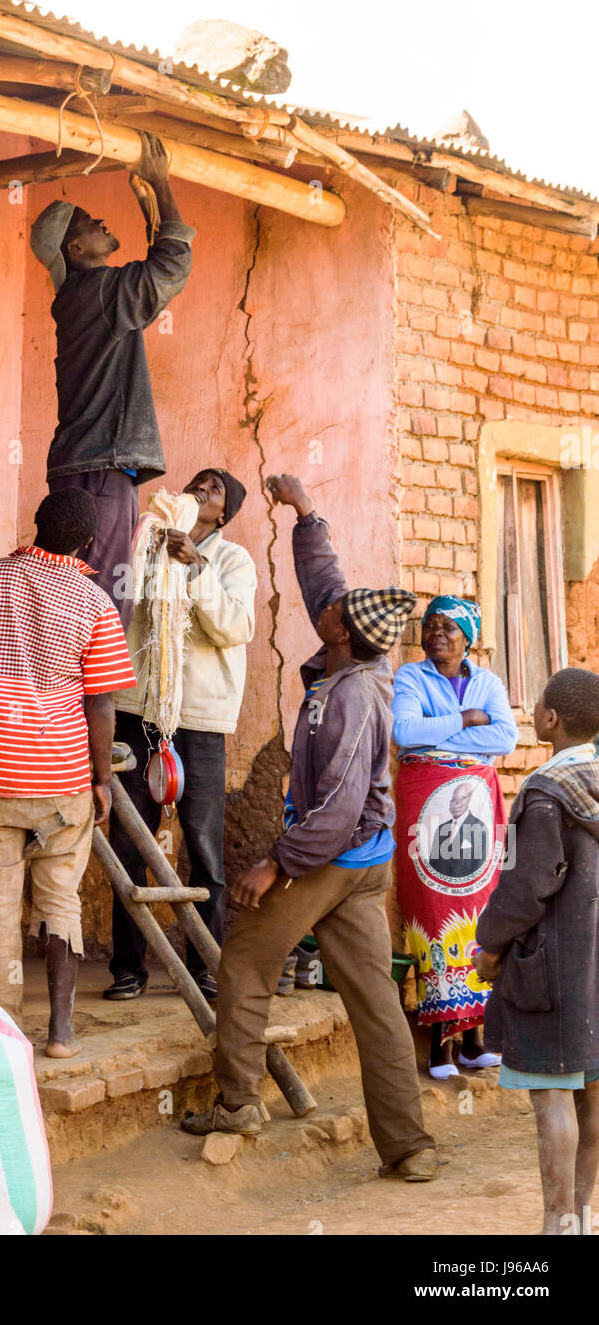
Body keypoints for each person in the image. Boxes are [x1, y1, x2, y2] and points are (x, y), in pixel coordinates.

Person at [182, 473, 439, 1182]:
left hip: (335, 856)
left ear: (342, 633)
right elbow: (326, 581)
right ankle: (409, 1146)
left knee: (245, 960)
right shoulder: (355, 656)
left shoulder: (353, 700)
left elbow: (336, 808)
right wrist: (305, 512)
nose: (323, 609)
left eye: (334, 612)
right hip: (363, 861)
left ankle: (237, 1102)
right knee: (373, 1002)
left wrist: (278, 863)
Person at [0, 489, 136, 1057]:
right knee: (60, 899)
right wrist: (102, 780)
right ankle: (60, 1033)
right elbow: (101, 702)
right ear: (87, 542)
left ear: (36, 525)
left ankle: (1, 1033)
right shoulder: (94, 601)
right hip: (63, 776)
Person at [29, 132, 196, 628]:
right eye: (89, 224)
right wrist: (161, 185)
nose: (102, 222)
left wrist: (153, 213)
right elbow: (169, 267)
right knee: (102, 609)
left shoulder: (85, 298)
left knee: (75, 597)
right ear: (76, 247)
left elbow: (149, 284)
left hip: (82, 466)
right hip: (102, 469)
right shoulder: (99, 292)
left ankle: (61, 699)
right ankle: (85, 703)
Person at [103, 467, 256, 1003]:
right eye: (198, 483)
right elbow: (118, 614)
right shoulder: (144, 545)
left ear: (223, 513)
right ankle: (129, 966)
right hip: (136, 711)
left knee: (204, 846)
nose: (202, 492)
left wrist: (194, 567)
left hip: (198, 719)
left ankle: (205, 963)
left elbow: (234, 627)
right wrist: (154, 555)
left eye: (215, 490)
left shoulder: (232, 561)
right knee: (129, 842)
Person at [475, 668, 599, 1236]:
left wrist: (489, 947)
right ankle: (584, 1215)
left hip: (552, 970)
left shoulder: (545, 791)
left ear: (550, 720)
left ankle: (557, 1223)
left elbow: (525, 889)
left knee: (553, 1091)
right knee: (592, 1093)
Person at [392, 596, 518, 1078]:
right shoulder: (410, 677)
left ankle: (473, 1039)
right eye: (431, 626)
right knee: (431, 913)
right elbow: (405, 733)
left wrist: (438, 738)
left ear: (468, 636)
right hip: (425, 809)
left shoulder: (487, 682)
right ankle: (438, 1046)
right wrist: (467, 720)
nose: (437, 633)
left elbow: (504, 739)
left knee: (476, 911)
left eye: (448, 627)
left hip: (478, 810)